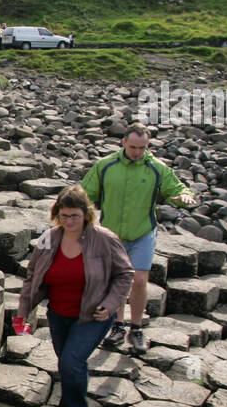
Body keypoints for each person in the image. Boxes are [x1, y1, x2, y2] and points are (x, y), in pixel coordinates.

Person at [15, 185, 134, 407]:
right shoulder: (49, 239)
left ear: (86, 214)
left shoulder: (105, 239)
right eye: (64, 215)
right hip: (58, 313)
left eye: (75, 216)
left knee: (71, 361)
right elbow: (31, 276)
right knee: (69, 364)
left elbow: (125, 275)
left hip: (93, 315)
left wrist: (111, 304)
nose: (69, 221)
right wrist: (21, 315)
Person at [80, 125, 197, 354]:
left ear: (148, 146)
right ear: (123, 143)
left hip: (143, 231)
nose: (136, 152)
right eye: (133, 147)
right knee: (117, 281)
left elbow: (178, 188)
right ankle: (117, 325)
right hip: (112, 234)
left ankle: (137, 328)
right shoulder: (105, 166)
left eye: (142, 148)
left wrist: (184, 197)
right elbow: (85, 194)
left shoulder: (156, 168)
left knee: (140, 280)